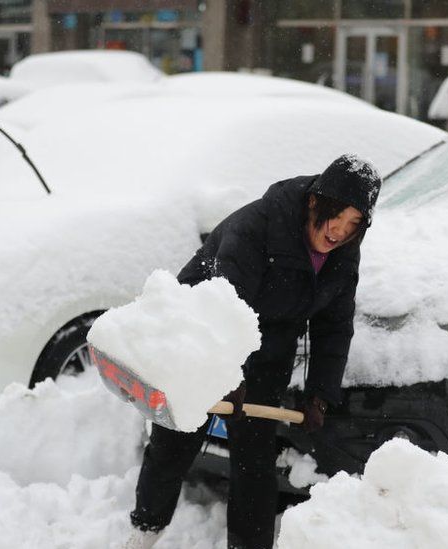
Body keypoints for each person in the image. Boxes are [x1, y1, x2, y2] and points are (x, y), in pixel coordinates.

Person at [123, 154, 382, 549]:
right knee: (174, 446)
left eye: (353, 225)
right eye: (337, 217)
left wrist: (320, 394)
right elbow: (224, 305)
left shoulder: (344, 255)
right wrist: (226, 373)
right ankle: (144, 532)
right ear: (316, 201)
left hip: (266, 352)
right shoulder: (257, 227)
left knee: (254, 463)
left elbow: (334, 326)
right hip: (201, 338)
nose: (339, 233)